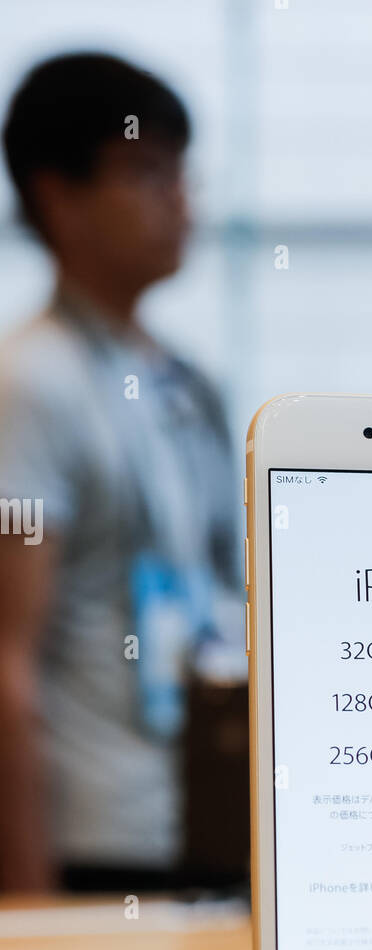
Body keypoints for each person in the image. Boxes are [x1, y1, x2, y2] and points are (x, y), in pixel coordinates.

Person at [0, 54, 242, 894]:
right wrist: (26, 907)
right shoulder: (30, 384)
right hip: (94, 837)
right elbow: (9, 659)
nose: (178, 201)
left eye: (182, 173)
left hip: (208, 821)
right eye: (144, 172)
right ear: (57, 197)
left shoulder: (188, 384)